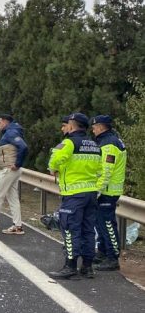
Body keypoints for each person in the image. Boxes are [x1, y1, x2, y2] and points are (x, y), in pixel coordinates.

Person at [48, 113, 102, 279]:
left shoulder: (69, 142)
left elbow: (55, 160)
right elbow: (100, 169)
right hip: (91, 193)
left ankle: (70, 266)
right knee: (88, 231)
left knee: (71, 229)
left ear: (72, 126)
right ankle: (87, 267)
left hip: (73, 194)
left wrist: (53, 168)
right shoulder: (94, 145)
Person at [91, 115, 127, 272]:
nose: (92, 130)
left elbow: (106, 170)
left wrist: (96, 191)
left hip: (107, 190)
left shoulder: (109, 143)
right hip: (106, 190)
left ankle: (113, 258)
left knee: (107, 224)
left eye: (94, 127)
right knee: (100, 224)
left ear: (100, 127)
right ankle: (103, 253)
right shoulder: (110, 140)